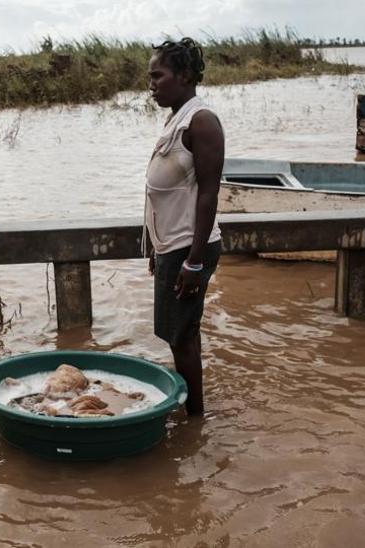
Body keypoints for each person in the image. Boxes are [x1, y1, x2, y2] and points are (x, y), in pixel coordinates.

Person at [144, 37, 224, 415]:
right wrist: (155, 248)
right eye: (150, 77)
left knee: (183, 337)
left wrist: (193, 261)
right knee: (178, 333)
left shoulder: (202, 121)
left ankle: (195, 420)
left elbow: (208, 195)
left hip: (189, 247)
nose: (152, 84)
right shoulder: (177, 118)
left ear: (185, 75)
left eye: (158, 75)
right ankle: (193, 409)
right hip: (171, 246)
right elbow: (169, 193)